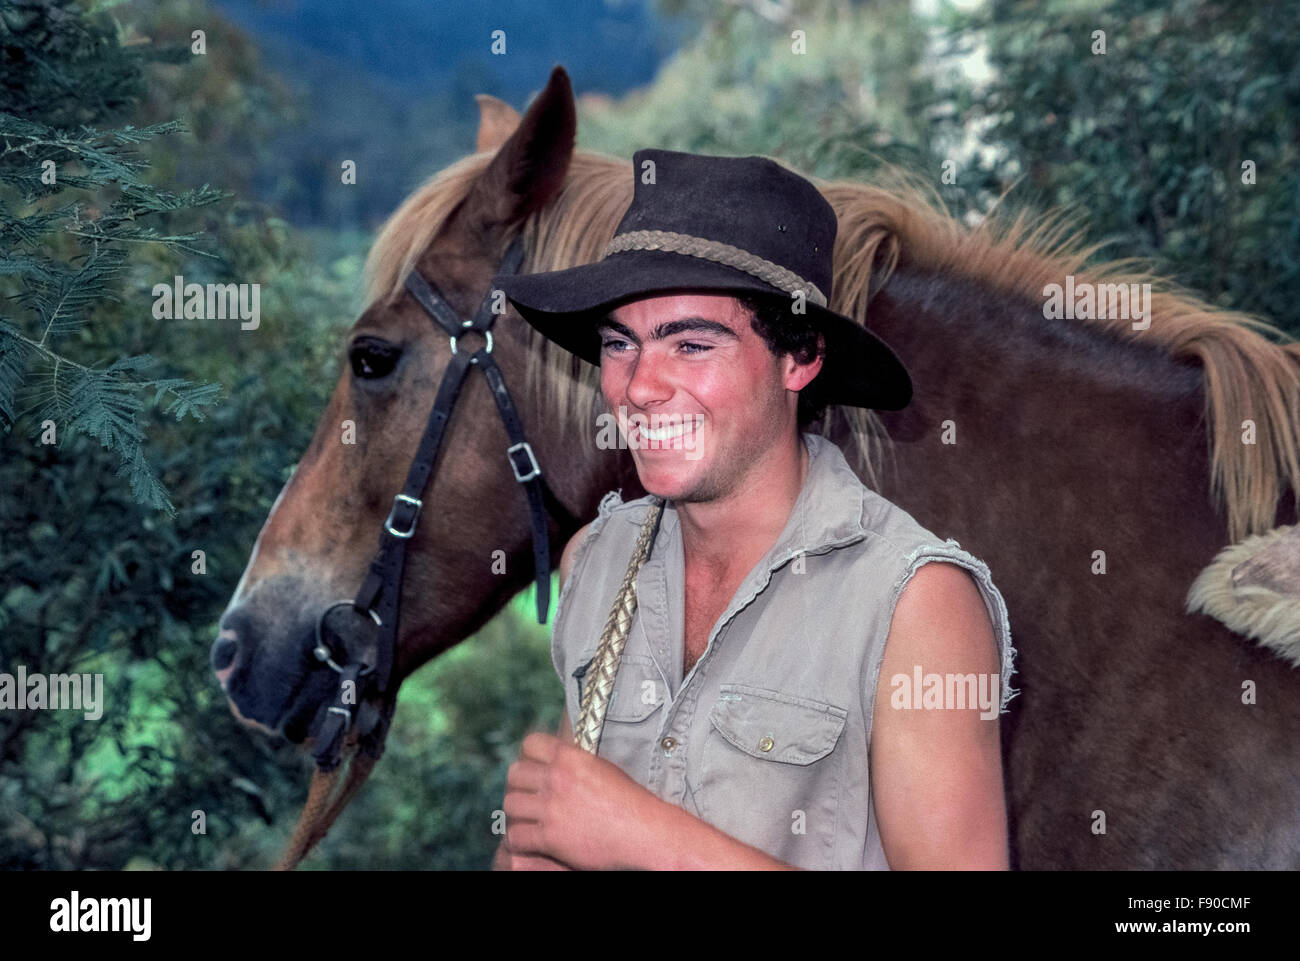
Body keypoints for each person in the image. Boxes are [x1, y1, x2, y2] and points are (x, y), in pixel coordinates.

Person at [490, 148, 1016, 870]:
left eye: (691, 344)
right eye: (619, 343)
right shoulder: (597, 559)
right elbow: (559, 832)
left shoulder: (915, 603)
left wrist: (643, 837)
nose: (639, 387)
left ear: (799, 358)